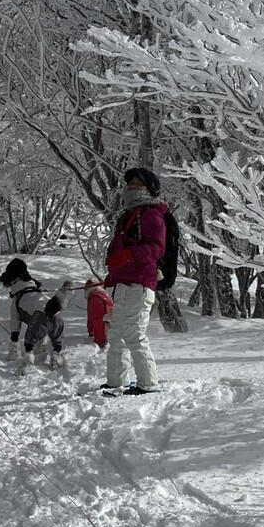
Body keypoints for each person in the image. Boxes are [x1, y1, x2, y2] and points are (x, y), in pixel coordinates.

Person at [103, 166, 167, 396]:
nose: (132, 188)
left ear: (150, 189)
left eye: (138, 184)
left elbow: (157, 248)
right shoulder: (129, 215)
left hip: (139, 285)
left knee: (134, 335)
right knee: (116, 335)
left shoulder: (151, 215)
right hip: (122, 284)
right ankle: (116, 381)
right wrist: (113, 274)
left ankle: (148, 384)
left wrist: (129, 256)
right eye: (130, 183)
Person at [0, 259, 72, 369]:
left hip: (40, 315)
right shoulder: (35, 294)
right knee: (55, 339)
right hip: (57, 314)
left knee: (33, 336)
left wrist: (15, 338)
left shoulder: (18, 299)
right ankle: (56, 356)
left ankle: (27, 359)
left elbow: (15, 324)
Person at [85, 278, 113, 349]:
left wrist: (90, 332)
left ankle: (101, 343)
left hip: (98, 310)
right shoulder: (104, 295)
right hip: (110, 309)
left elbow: (90, 318)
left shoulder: (93, 297)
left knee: (98, 321)